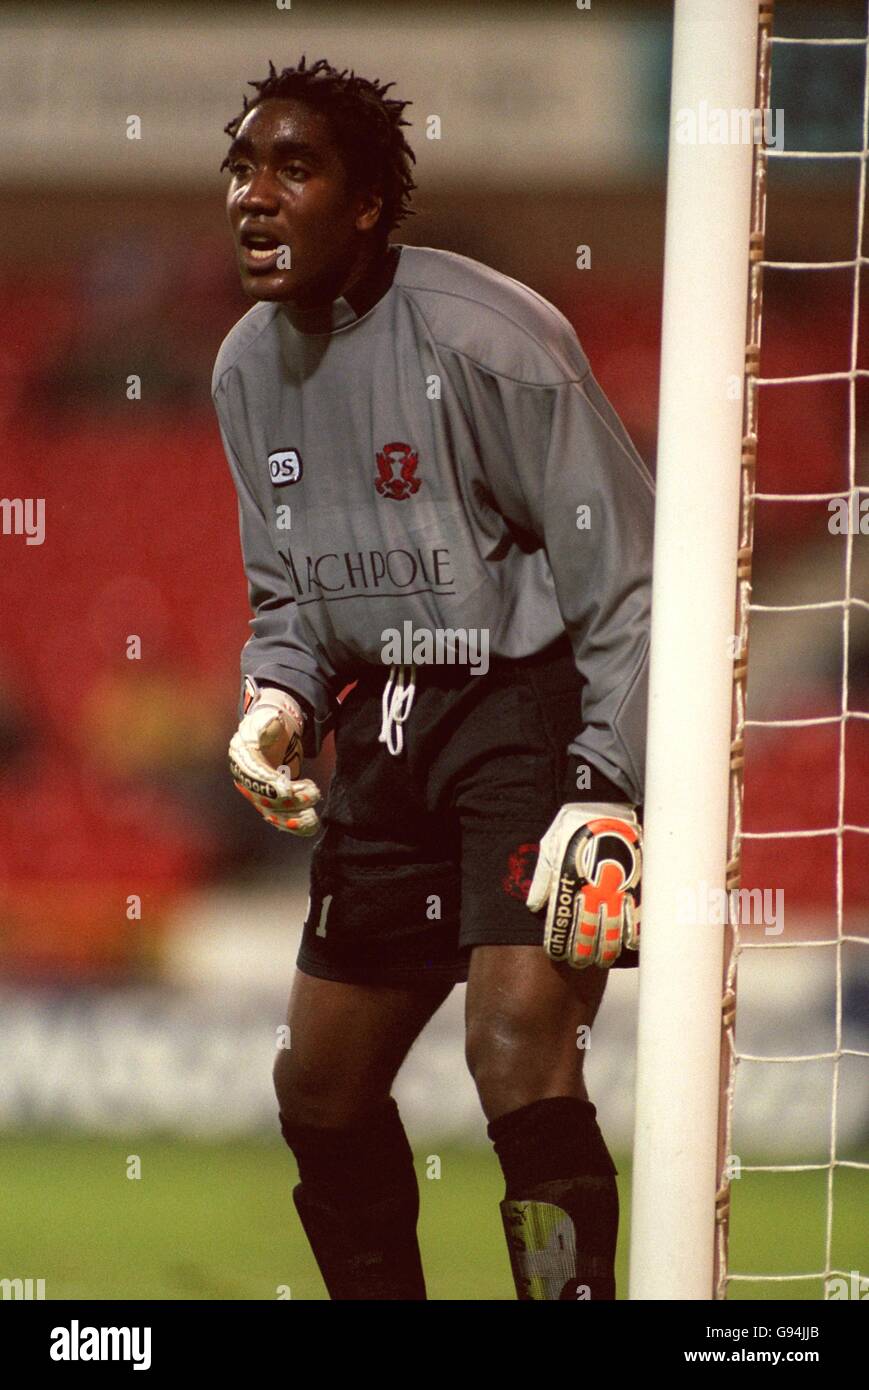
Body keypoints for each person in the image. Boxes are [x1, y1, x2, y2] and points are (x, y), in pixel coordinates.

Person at [213, 55, 653, 1301]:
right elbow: (288, 598)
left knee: (513, 1040)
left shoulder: (493, 340)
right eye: (241, 168)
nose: (254, 195)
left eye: (292, 168)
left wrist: (604, 781)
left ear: (366, 206)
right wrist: (278, 705)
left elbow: (629, 570)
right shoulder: (243, 371)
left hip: (529, 704)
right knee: (319, 1082)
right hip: (386, 722)